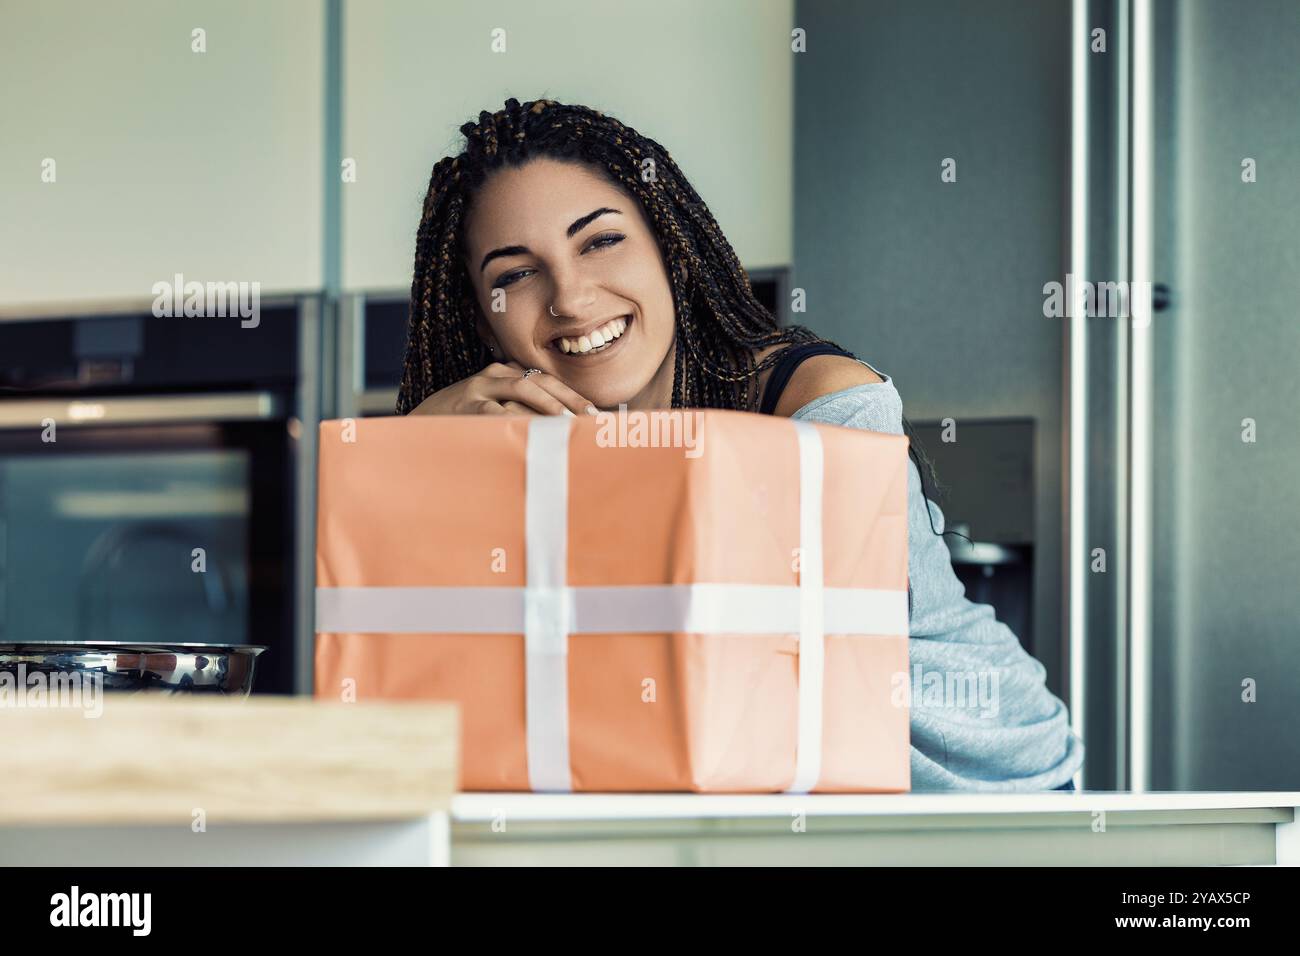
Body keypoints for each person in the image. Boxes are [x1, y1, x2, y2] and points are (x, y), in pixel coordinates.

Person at [398, 97, 1084, 791]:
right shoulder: (517, 452)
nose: (570, 299)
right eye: (515, 274)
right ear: (487, 329)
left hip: (978, 794)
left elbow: (788, 664)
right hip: (766, 807)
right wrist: (421, 467)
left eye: (601, 240)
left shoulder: (823, 400)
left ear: (670, 244)